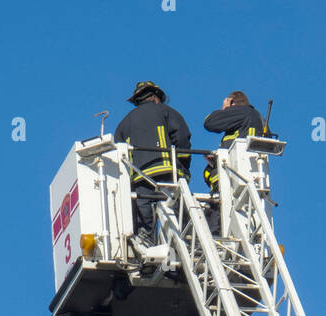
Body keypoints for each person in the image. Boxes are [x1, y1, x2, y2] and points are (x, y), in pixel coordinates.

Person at [114, 82, 191, 247]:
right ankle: (184, 244)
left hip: (140, 180)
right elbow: (182, 140)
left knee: (145, 229)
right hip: (167, 174)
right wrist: (183, 168)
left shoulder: (123, 124)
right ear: (155, 97)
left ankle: (148, 256)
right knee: (179, 221)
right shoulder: (167, 112)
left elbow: (117, 158)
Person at [202, 91, 267, 235]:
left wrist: (224, 109)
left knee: (217, 223)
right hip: (249, 179)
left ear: (231, 102)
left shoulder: (241, 112)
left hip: (230, 179)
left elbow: (210, 122)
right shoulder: (257, 118)